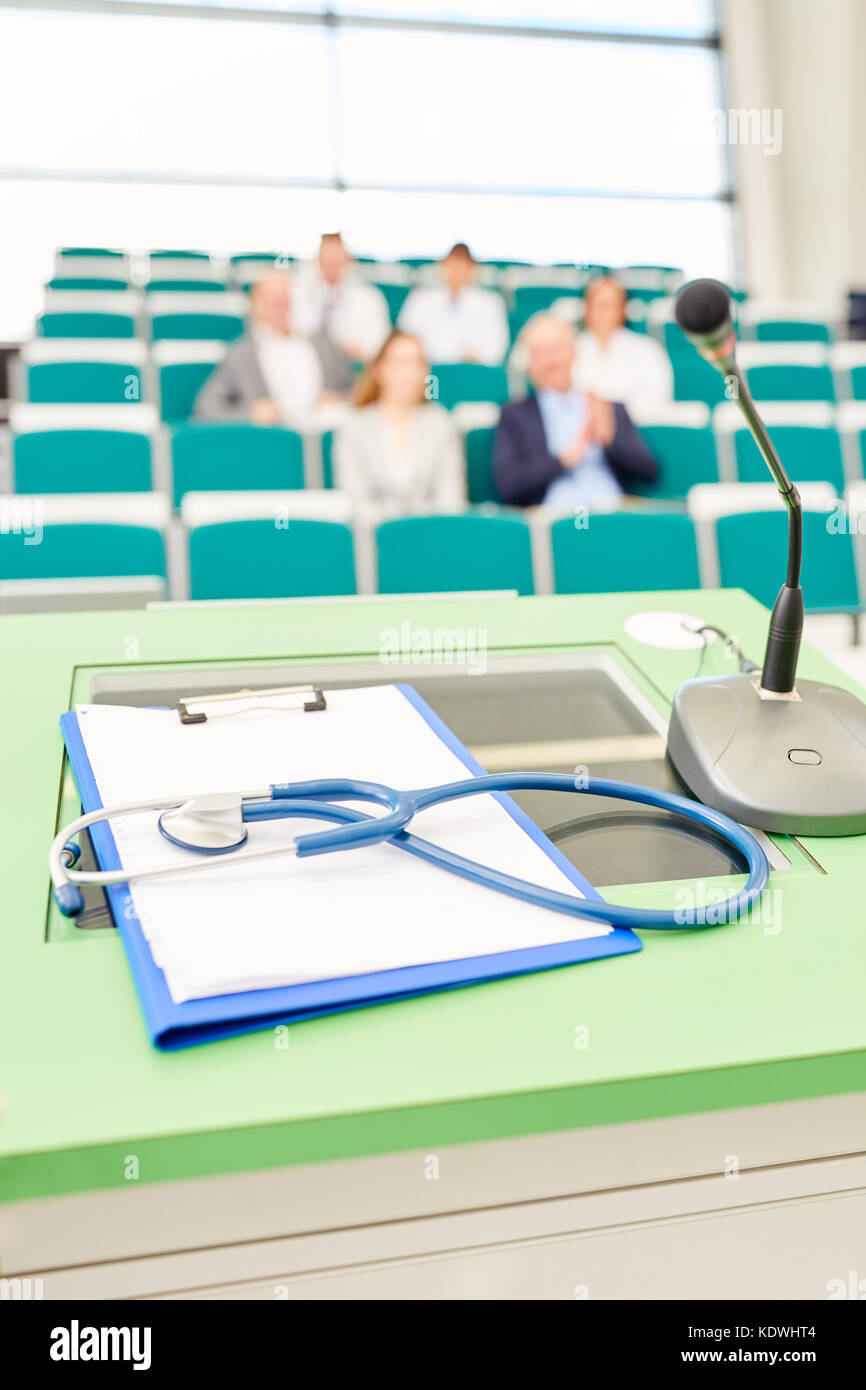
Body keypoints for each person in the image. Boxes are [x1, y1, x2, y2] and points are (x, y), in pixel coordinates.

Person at [493, 314, 657, 510]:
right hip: (551, 517)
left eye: (555, 349)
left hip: (610, 512)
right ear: (529, 364)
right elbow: (509, 485)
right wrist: (565, 459)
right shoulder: (515, 415)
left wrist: (609, 438)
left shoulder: (606, 407)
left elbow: (649, 472)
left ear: (573, 352)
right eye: (538, 353)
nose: (549, 361)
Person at [334, 331, 465, 512]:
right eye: (402, 363)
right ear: (379, 370)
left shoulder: (442, 424)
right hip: (372, 535)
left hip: (431, 534)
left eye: (419, 363)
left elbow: (451, 501)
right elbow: (356, 502)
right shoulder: (354, 427)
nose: (412, 373)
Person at [194, 273, 322, 425]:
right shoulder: (240, 354)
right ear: (254, 304)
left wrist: (336, 399)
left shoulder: (320, 344)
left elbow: (353, 395)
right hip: (273, 439)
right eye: (269, 298)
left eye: (283, 297)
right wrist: (250, 414)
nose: (277, 304)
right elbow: (206, 408)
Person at [291, 233, 391, 393]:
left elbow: (380, 347)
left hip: (353, 374)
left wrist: (359, 351)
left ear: (348, 261)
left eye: (336, 260)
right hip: (306, 372)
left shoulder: (370, 298)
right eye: (326, 260)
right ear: (317, 262)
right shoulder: (297, 295)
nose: (331, 265)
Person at [398, 242, 509, 366]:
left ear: (473, 269)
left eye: (462, 265)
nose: (456, 271)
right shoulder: (420, 299)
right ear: (442, 266)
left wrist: (474, 356)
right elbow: (404, 339)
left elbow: (497, 349)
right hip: (427, 371)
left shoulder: (491, 303)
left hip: (473, 371)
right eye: (452, 265)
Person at [575, 275, 673, 413]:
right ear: (586, 308)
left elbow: (657, 404)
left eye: (609, 305)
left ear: (623, 309)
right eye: (596, 305)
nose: (602, 312)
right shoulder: (568, 349)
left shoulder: (648, 350)